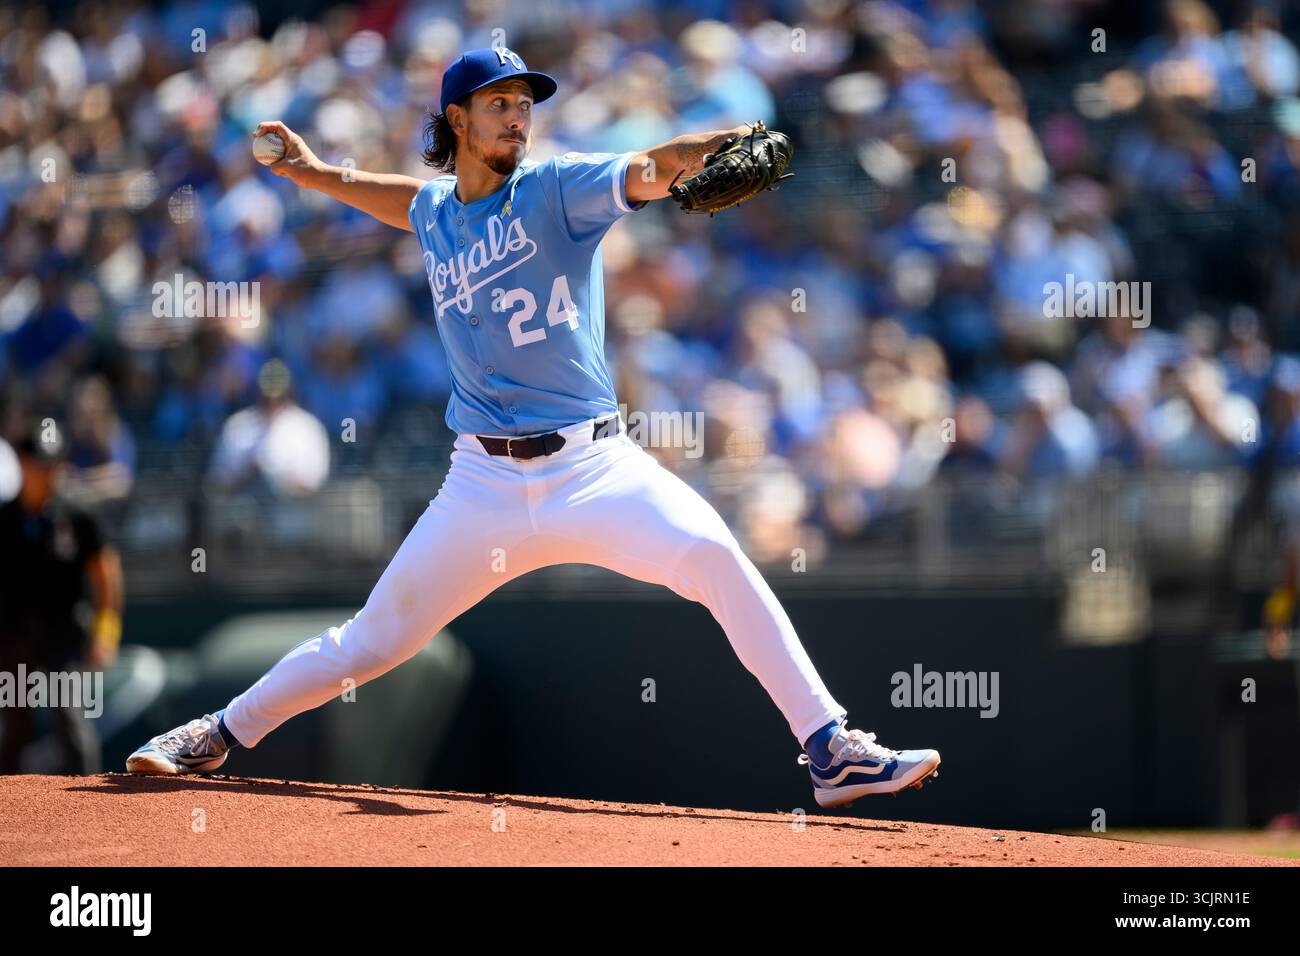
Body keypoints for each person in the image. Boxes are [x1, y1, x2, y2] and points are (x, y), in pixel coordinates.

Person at [126, 48, 940, 808]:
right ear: (457, 120)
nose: (519, 116)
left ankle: (829, 749)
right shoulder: (436, 212)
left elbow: (653, 165)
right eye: (500, 104)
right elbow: (394, 198)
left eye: (525, 104)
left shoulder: (556, 189)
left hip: (595, 469)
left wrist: (727, 141)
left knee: (715, 555)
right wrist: (311, 172)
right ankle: (218, 734)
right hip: (481, 483)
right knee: (370, 643)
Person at [0, 427, 123, 774]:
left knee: (70, 719)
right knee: (13, 729)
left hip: (63, 634)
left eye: (54, 464)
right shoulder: (5, 519)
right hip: (13, 636)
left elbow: (105, 575)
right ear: (23, 465)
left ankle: (87, 809)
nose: (49, 473)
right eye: (40, 464)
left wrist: (106, 632)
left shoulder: (76, 514)